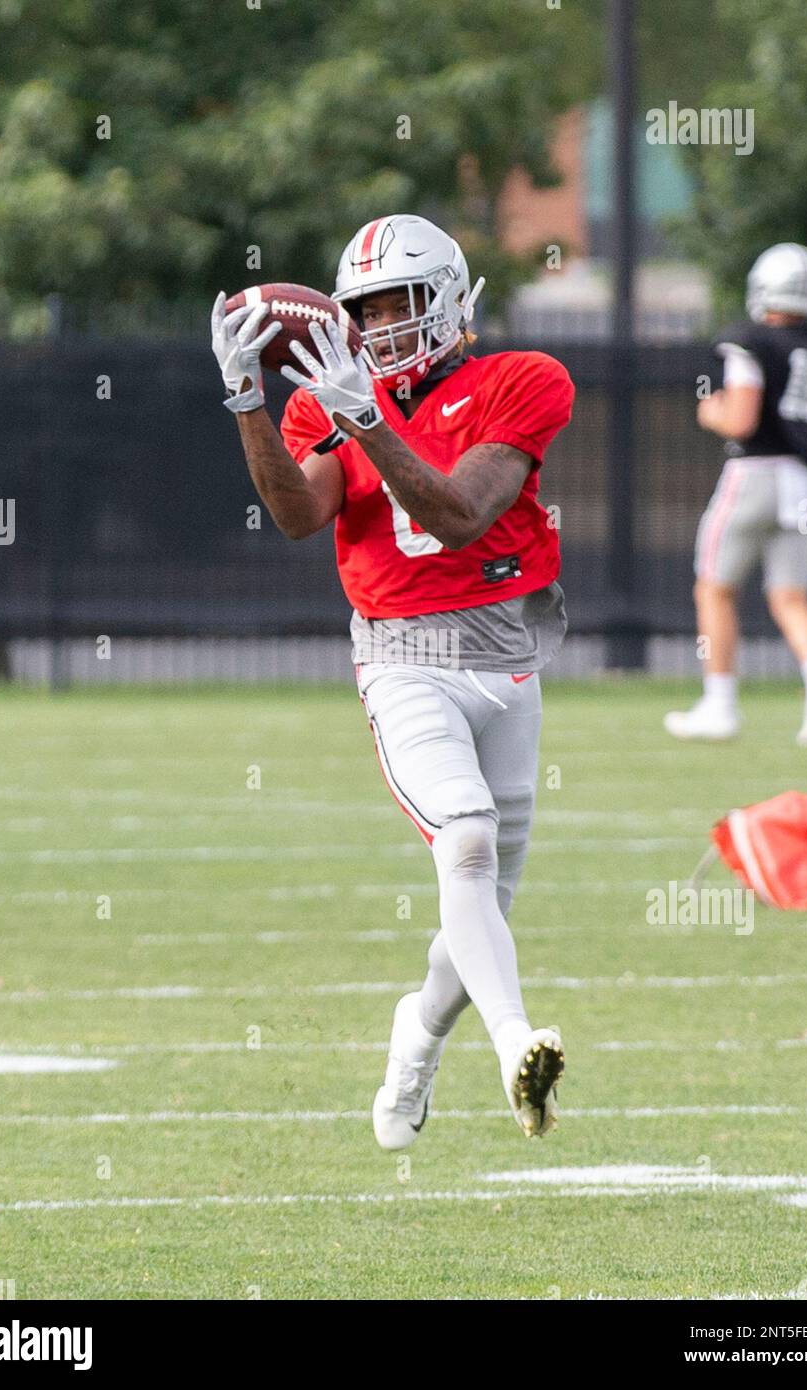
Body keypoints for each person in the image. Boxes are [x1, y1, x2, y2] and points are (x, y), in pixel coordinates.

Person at [211, 214, 574, 1148]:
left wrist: (368, 417)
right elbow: (300, 516)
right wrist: (249, 398)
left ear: (451, 299)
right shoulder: (327, 398)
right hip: (403, 657)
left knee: (479, 907)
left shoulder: (520, 380)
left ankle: (415, 1036)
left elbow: (461, 516)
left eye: (400, 302)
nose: (381, 326)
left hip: (506, 656)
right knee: (466, 840)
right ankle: (514, 1046)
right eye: (365, 308)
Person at [665, 243, 807, 747]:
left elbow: (742, 419)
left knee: (715, 587)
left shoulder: (749, 342)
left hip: (755, 476)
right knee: (791, 597)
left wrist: (711, 412)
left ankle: (720, 703)